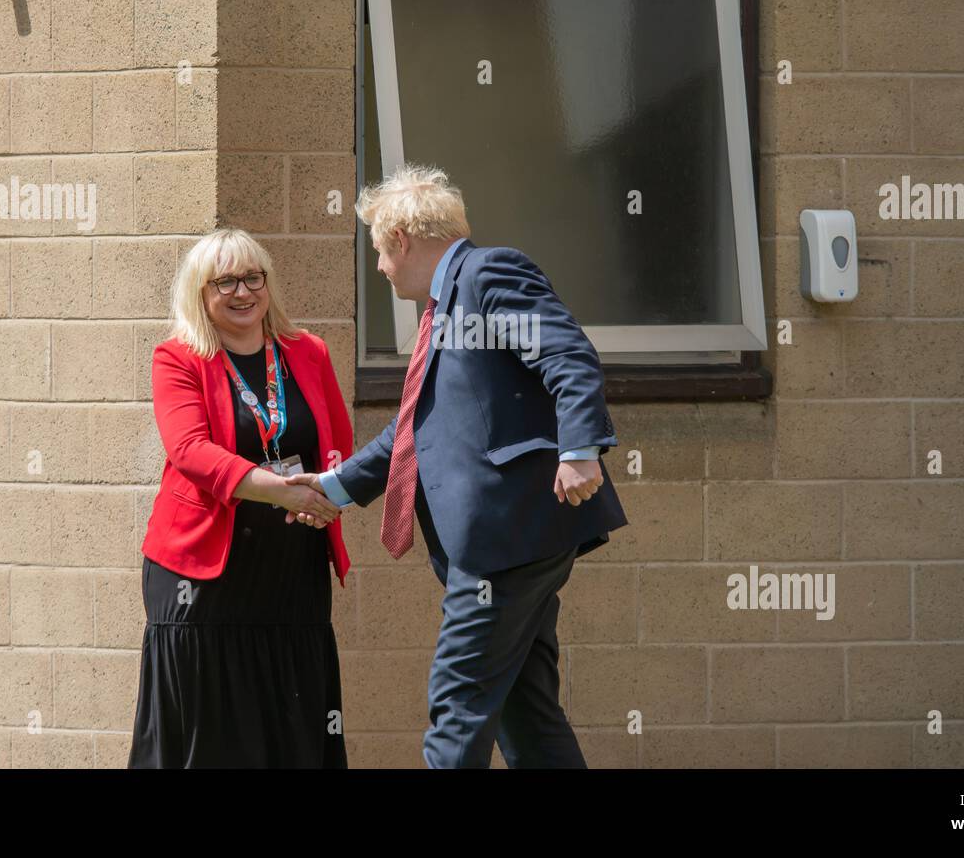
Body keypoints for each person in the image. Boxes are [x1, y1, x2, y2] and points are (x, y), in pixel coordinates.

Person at [290, 163, 627, 768]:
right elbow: (415, 426)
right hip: (518, 538)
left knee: (458, 703)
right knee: (526, 714)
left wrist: (579, 451)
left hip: (506, 538)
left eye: (379, 252)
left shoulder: (488, 273)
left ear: (401, 240)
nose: (380, 267)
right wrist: (334, 488)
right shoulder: (446, 306)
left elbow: (569, 355)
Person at [129, 227, 353, 768]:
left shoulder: (309, 352)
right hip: (203, 575)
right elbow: (190, 450)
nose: (242, 291)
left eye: (253, 277)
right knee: (209, 731)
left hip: (291, 567)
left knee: (290, 719)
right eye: (223, 281)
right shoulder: (178, 357)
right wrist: (279, 491)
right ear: (198, 294)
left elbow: (336, 444)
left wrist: (330, 492)